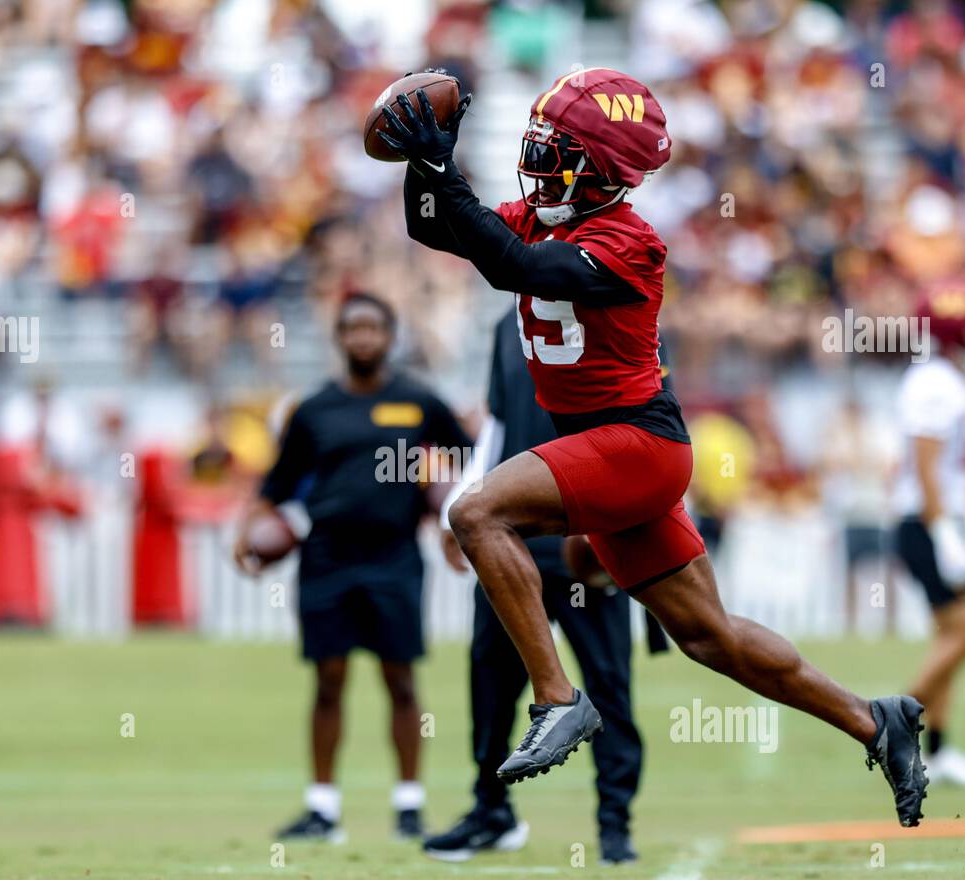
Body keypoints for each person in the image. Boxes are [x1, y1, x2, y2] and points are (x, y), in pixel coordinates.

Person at [378, 68, 926, 826]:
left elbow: (514, 266)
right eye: (538, 141)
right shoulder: (553, 217)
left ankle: (558, 697)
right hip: (604, 448)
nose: (539, 158)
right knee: (710, 635)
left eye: (557, 147)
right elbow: (433, 223)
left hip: (636, 444)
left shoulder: (629, 238)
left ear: (603, 166)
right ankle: (876, 720)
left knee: (477, 516)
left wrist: (444, 171)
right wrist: (425, 162)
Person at [234, 292, 473, 842]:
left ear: (390, 336)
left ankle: (409, 806)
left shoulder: (419, 401)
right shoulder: (315, 408)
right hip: (327, 557)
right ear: (339, 338)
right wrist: (246, 530)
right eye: (352, 328)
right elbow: (276, 485)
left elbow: (470, 460)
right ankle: (323, 809)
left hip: (394, 556)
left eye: (373, 328)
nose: (363, 337)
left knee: (401, 679)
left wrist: (452, 516)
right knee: (328, 680)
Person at [426, 313, 651, 866]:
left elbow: (650, 419)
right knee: (490, 681)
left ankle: (614, 825)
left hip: (587, 536)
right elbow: (498, 426)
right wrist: (461, 507)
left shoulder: (611, 302)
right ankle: (490, 811)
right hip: (510, 536)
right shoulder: (506, 324)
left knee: (609, 685)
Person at [891, 280, 965, 786]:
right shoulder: (935, 383)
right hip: (928, 522)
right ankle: (892, 721)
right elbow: (926, 466)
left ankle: (942, 747)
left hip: (935, 520)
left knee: (950, 635)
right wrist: (946, 532)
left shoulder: (945, 378)